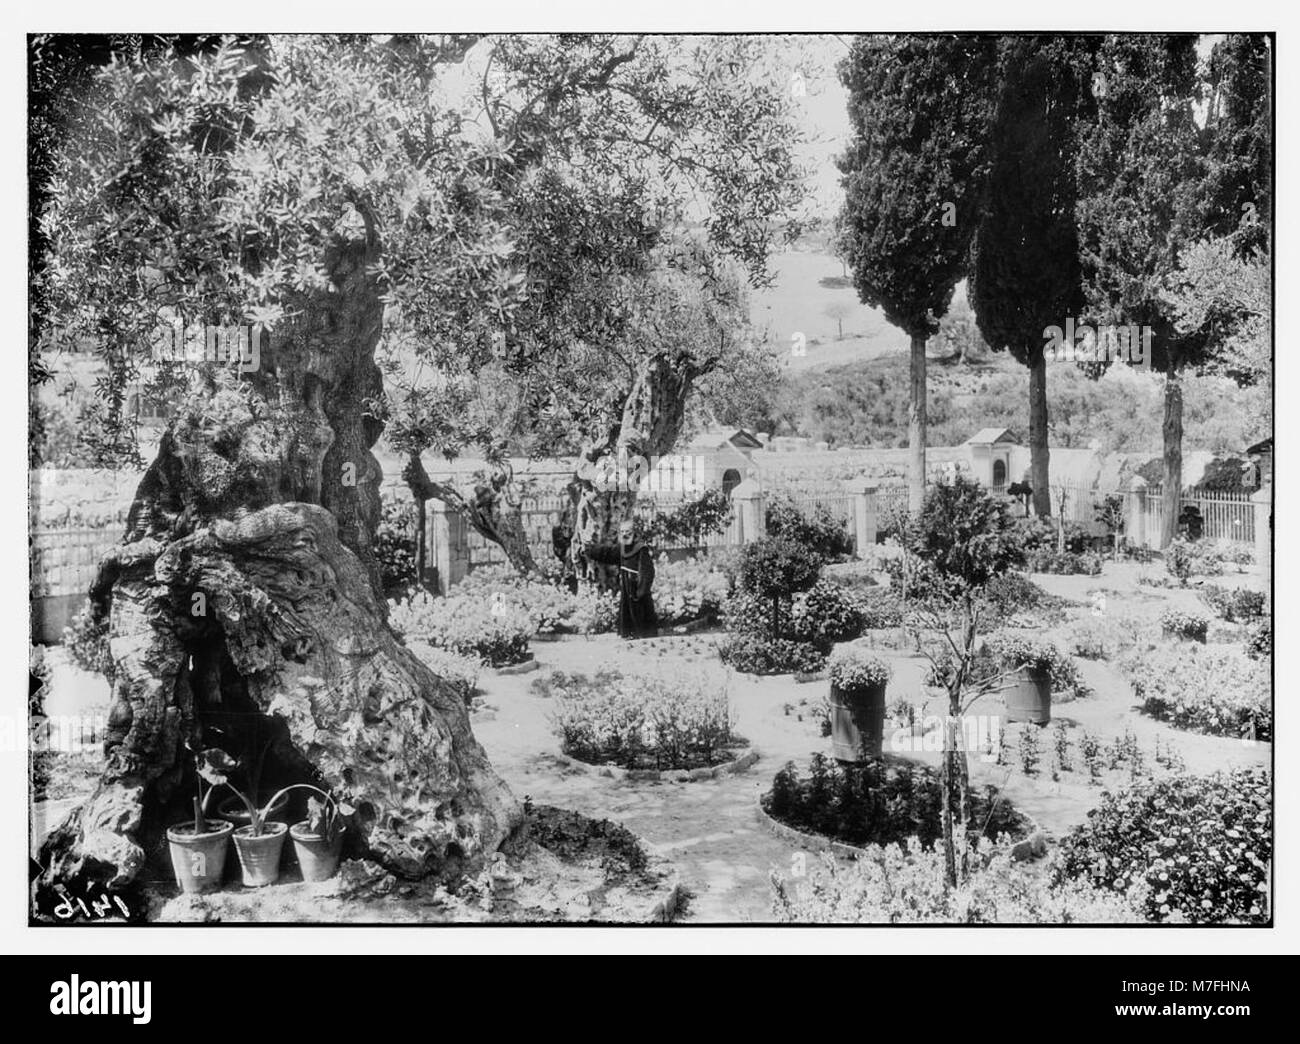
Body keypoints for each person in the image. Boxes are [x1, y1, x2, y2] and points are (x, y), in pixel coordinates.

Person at [585, 519, 658, 639]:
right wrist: (590, 550)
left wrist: (641, 590)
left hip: (637, 588)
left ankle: (644, 636)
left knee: (640, 611)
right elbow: (608, 553)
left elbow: (647, 572)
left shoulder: (641, 548)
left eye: (628, 531)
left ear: (633, 532)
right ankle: (630, 634)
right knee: (627, 611)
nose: (625, 534)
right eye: (622, 531)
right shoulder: (622, 547)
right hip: (626, 585)